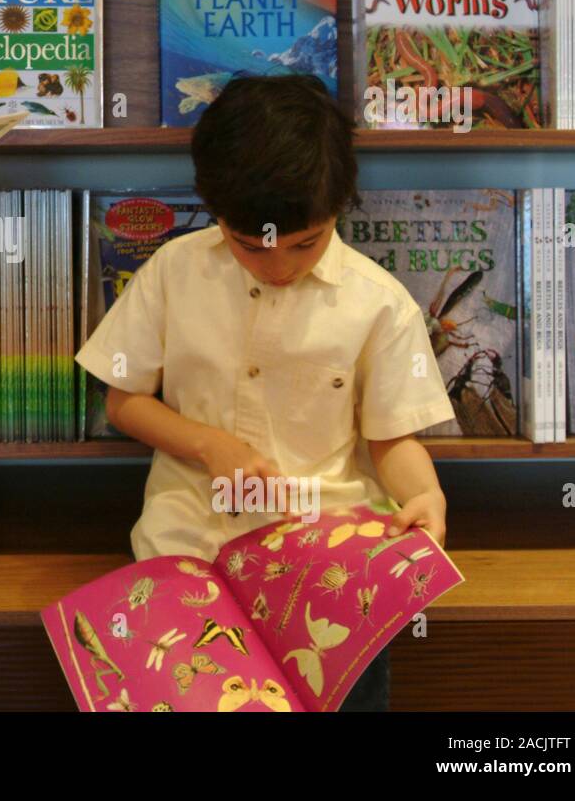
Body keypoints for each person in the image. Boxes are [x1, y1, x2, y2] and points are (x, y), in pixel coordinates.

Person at [74, 75, 454, 712]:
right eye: (249, 246)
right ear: (215, 210)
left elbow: (392, 438)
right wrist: (206, 443)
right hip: (183, 555)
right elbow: (122, 400)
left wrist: (425, 495)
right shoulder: (175, 270)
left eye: (305, 244)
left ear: (340, 207)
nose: (279, 268)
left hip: (327, 571)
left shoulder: (378, 303)